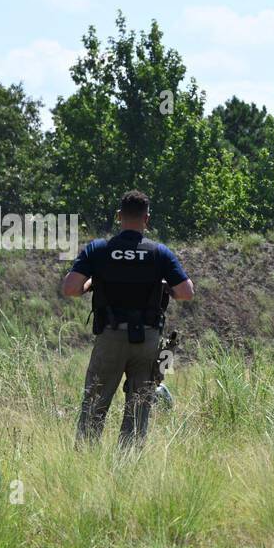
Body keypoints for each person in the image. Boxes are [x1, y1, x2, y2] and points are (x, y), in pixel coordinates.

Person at [61, 190, 194, 447]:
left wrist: (90, 283)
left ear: (119, 216)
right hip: (147, 340)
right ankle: (127, 466)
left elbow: (70, 288)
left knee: (95, 406)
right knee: (138, 408)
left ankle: (84, 460)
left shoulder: (99, 249)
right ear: (147, 219)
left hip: (110, 336)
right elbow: (186, 293)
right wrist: (165, 286)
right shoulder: (159, 253)